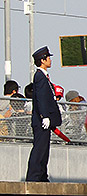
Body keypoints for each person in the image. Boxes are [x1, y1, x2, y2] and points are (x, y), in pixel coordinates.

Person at [26, 46, 61, 182]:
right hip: (41, 121)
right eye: (48, 58)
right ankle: (34, 177)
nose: (50, 60)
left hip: (44, 120)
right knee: (39, 149)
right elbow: (41, 98)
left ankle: (41, 176)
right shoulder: (40, 76)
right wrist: (44, 116)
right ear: (42, 60)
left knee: (44, 149)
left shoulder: (44, 76)